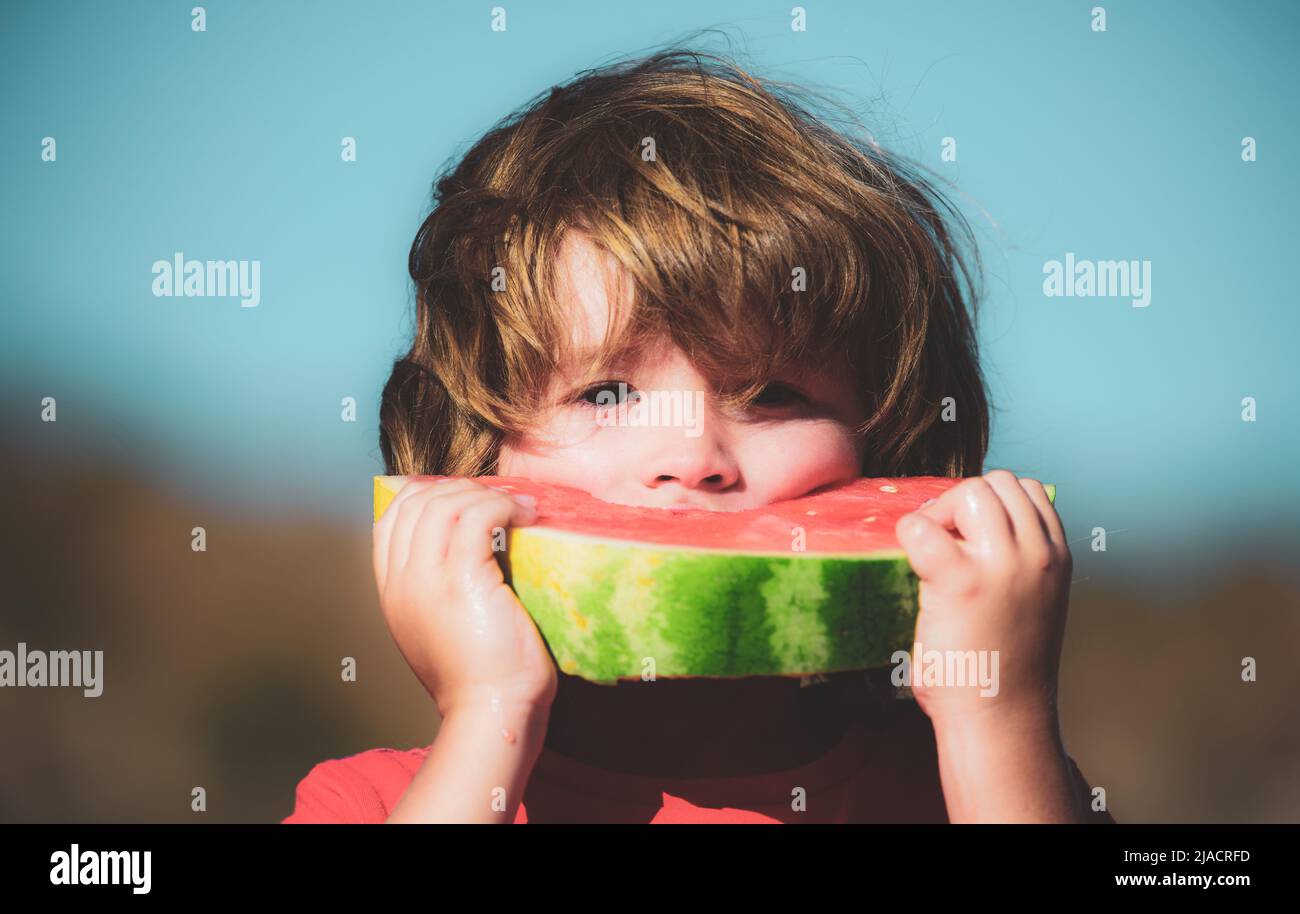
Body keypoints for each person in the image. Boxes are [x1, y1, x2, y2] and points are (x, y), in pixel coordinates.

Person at [283, 48, 1114, 824]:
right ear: (470, 453)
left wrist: (997, 712)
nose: (692, 457)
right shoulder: (372, 802)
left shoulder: (988, 786)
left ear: (890, 449)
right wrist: (488, 713)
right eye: (604, 393)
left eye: (773, 393)